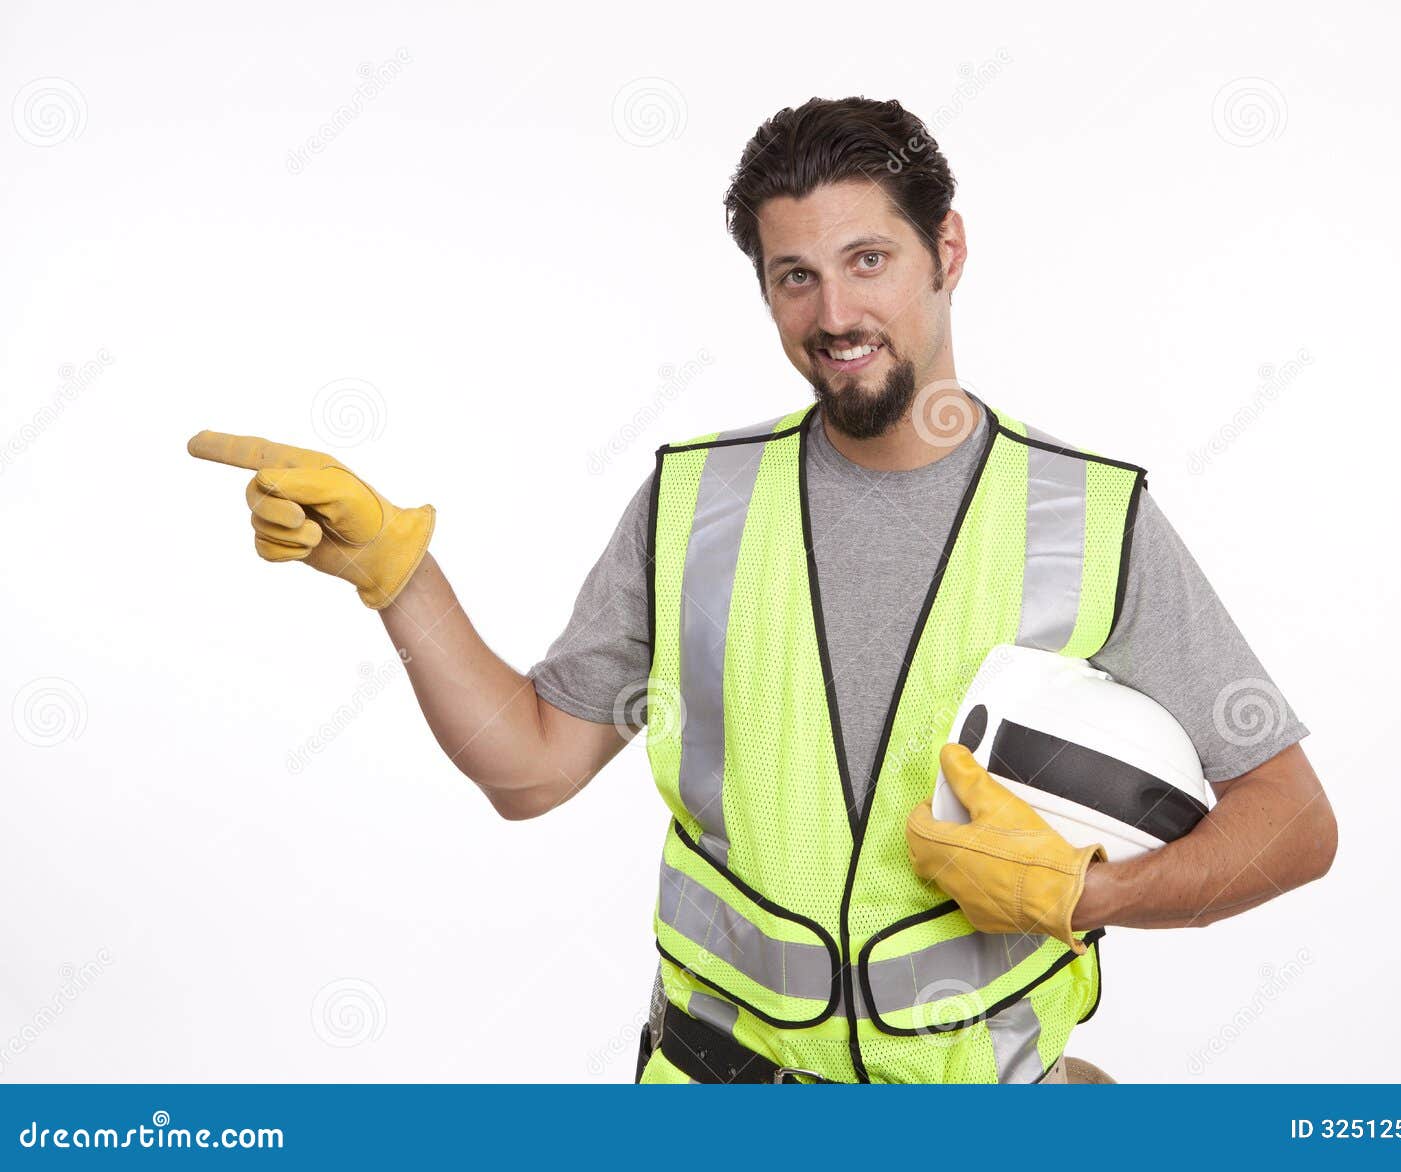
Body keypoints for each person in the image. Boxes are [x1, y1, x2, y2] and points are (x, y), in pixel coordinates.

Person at [188, 96, 1336, 1084]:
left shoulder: (1086, 519)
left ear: (949, 249)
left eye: (868, 260)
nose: (834, 315)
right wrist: (401, 578)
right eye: (795, 277)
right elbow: (532, 768)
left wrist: (1084, 895)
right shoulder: (697, 504)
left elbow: (1290, 822)